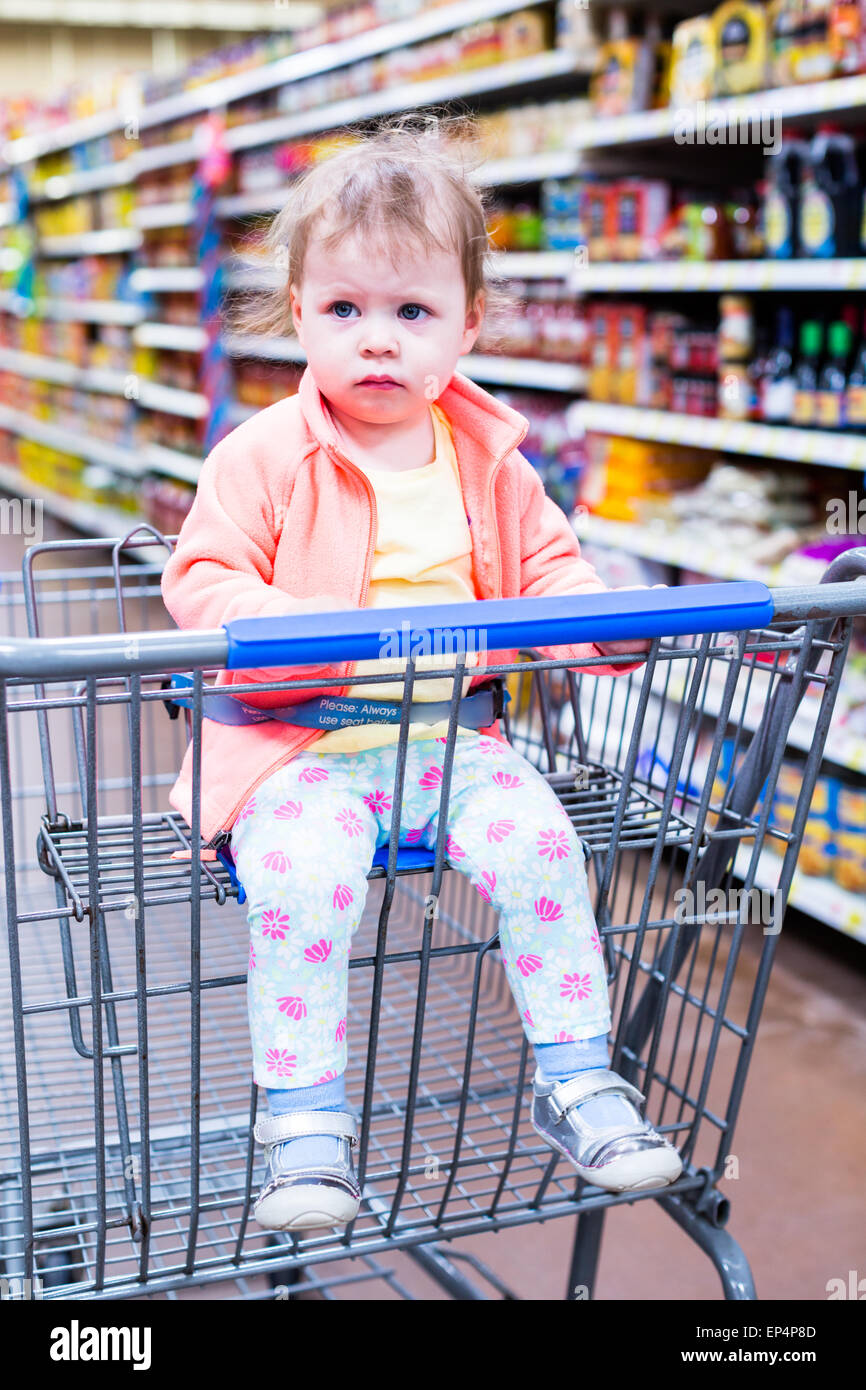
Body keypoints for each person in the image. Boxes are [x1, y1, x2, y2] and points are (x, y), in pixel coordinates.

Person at [161, 114, 682, 1232]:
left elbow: (548, 571)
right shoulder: (260, 456)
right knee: (300, 882)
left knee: (547, 846)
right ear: (299, 312)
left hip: (452, 744)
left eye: (411, 312)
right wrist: (290, 624)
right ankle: (302, 1122)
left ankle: (579, 1077)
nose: (377, 341)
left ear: (467, 326)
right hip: (299, 746)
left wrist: (596, 622)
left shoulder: (490, 458)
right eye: (344, 309)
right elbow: (201, 577)